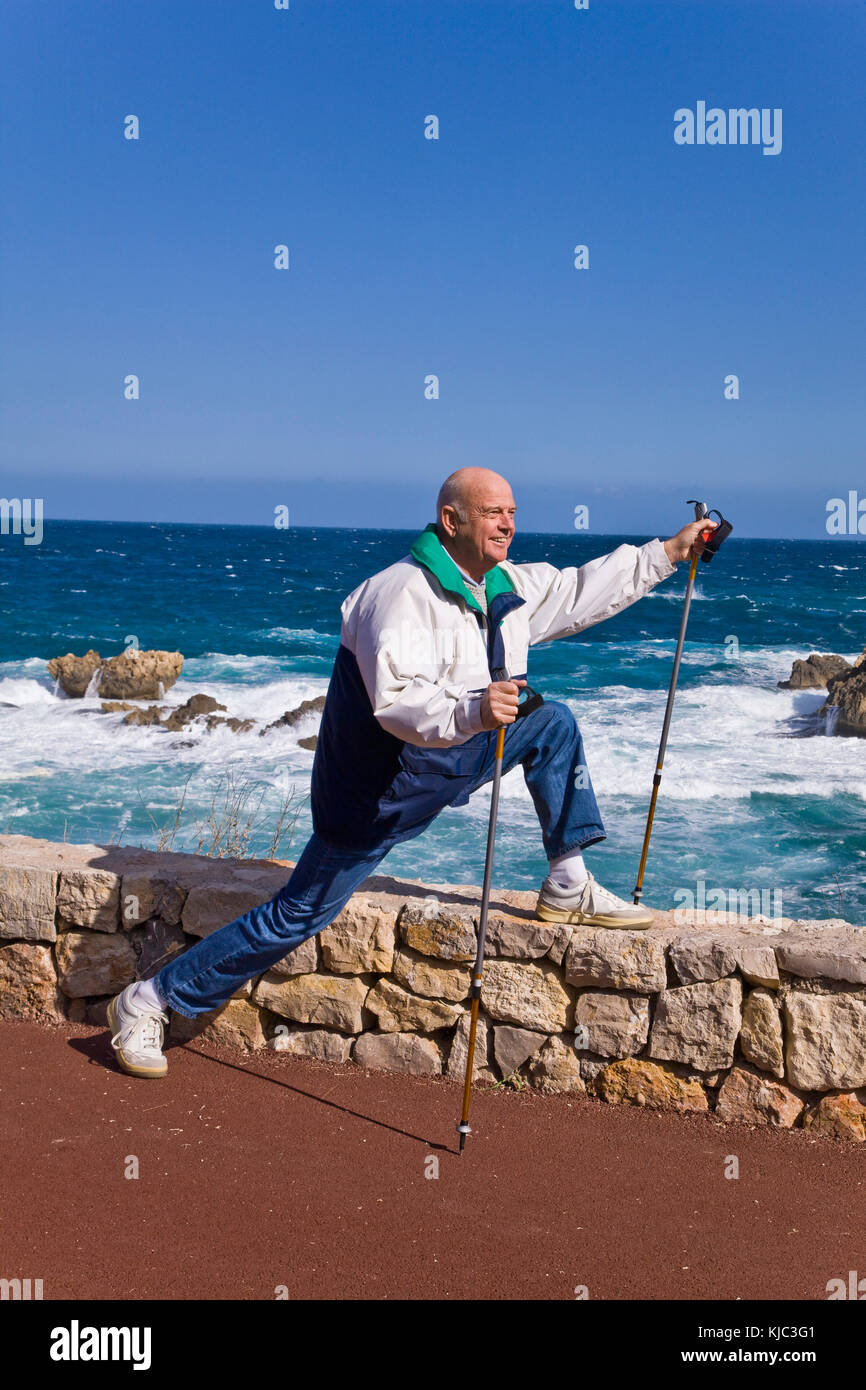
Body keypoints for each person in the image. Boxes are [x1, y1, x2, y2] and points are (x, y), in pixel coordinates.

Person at [108, 468, 715, 1078]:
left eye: (511, 512)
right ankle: (147, 1002)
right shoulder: (395, 595)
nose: (507, 523)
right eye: (492, 512)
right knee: (297, 913)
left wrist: (669, 552)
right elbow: (395, 702)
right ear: (452, 520)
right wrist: (476, 709)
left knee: (550, 722)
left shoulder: (501, 586)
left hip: (448, 761)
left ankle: (566, 882)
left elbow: (582, 587)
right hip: (376, 794)